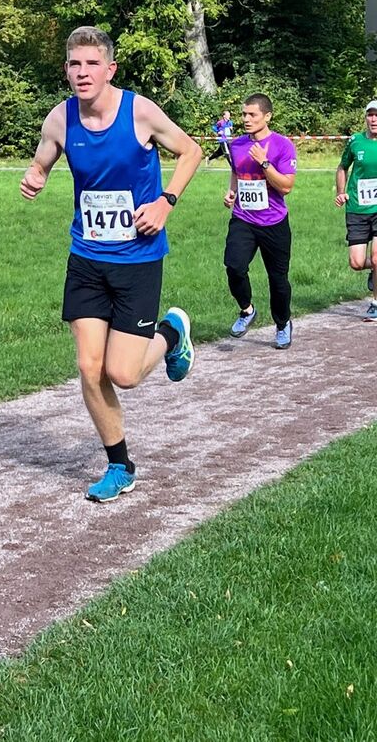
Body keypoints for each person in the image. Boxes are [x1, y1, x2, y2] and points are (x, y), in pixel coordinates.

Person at [20, 26, 202, 504]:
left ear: (109, 69)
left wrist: (166, 201)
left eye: (90, 64)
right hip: (86, 257)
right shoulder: (60, 119)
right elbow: (43, 160)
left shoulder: (139, 111)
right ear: (66, 69)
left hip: (138, 258)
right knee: (89, 366)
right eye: (74, 64)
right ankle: (119, 465)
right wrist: (36, 175)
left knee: (123, 373)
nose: (82, 73)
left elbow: (191, 151)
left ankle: (172, 333)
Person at [223, 93, 297, 349]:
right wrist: (232, 192)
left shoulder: (282, 145)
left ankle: (282, 322)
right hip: (243, 218)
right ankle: (246, 310)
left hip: (274, 222)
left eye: (252, 114)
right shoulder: (237, 144)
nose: (246, 119)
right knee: (233, 266)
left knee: (278, 280)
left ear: (267, 116)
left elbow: (286, 186)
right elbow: (236, 172)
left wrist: (264, 162)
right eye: (244, 114)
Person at [335, 100, 377, 321]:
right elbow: (342, 167)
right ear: (365, 118)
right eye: (370, 115)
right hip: (357, 208)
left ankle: (376, 303)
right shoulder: (355, 141)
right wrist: (341, 192)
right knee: (356, 263)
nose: (374, 119)